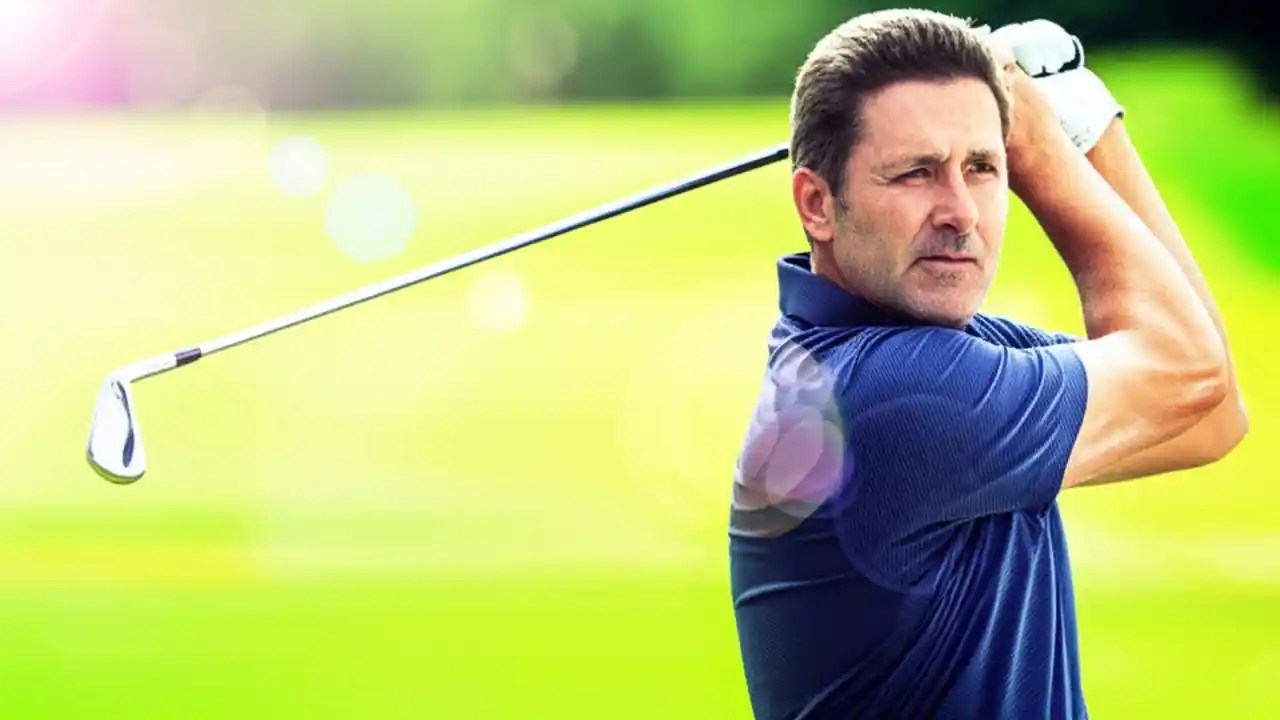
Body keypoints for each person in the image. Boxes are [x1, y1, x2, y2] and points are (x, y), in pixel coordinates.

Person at [728, 9, 1248, 719]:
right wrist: (1045, 145)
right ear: (817, 204)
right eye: (917, 172)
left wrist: (1092, 128)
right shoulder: (897, 398)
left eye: (981, 168)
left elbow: (1207, 413)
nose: (962, 213)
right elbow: (1187, 367)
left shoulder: (917, 356)